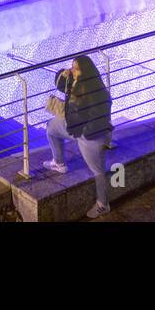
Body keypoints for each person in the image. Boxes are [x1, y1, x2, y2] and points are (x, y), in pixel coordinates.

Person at [44, 54, 113, 218]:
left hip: (89, 135)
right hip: (74, 127)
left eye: (76, 69)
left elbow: (101, 114)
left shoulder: (97, 91)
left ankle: (103, 204)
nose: (72, 71)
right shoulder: (76, 83)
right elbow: (61, 86)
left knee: (98, 171)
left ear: (86, 71)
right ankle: (59, 163)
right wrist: (64, 74)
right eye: (72, 67)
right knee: (51, 127)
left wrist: (85, 133)